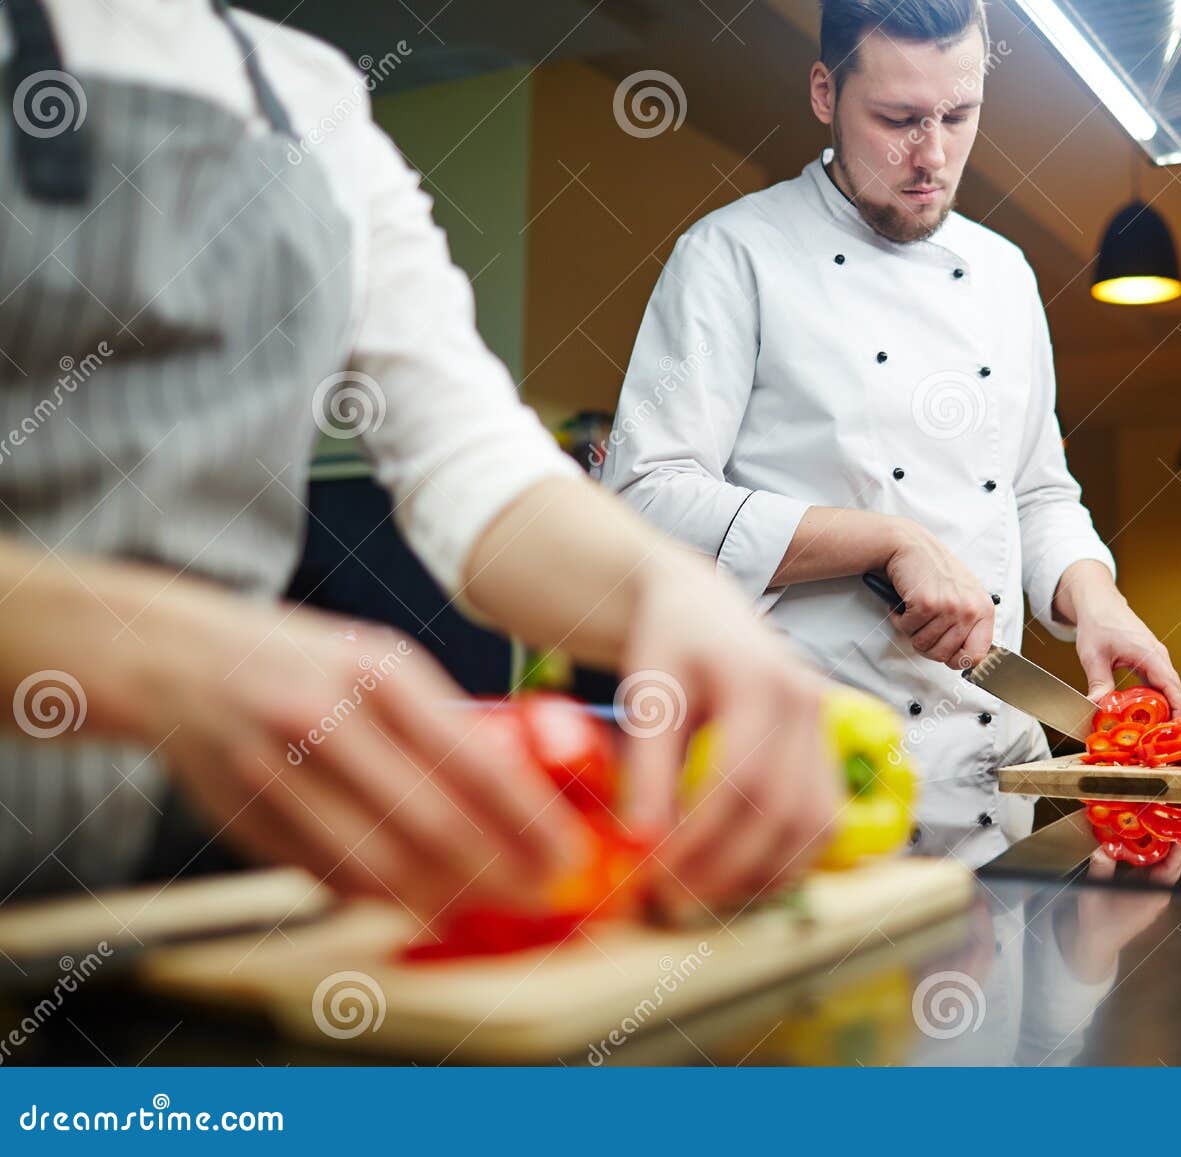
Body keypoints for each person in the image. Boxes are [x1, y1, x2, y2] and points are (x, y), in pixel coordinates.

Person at [0, 0, 841, 917]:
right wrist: (159, 655)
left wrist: (669, 592)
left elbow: (474, 463)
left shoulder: (305, 94)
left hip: (168, 896)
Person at [604, 0, 1181, 864]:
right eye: (899, 120)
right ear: (824, 92)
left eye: (958, 116)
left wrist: (1096, 600)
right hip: (803, 790)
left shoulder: (1004, 276)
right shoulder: (733, 257)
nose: (934, 156)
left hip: (999, 787)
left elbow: (1035, 490)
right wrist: (882, 539)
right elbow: (644, 501)